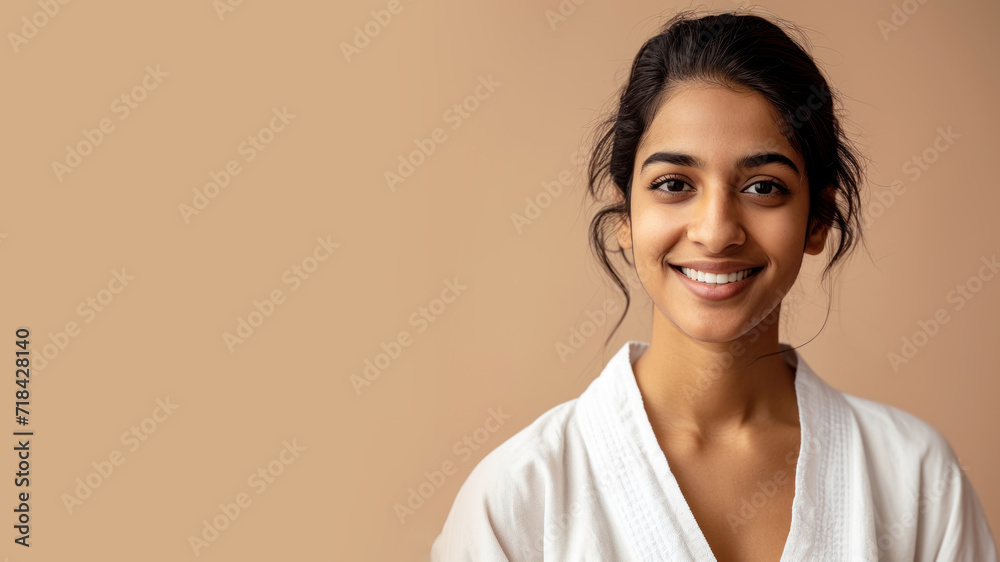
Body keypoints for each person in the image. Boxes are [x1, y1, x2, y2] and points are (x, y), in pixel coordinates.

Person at [430, 8, 998, 561]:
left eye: (764, 188)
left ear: (818, 219)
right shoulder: (515, 501)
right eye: (674, 183)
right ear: (625, 215)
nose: (717, 231)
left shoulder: (918, 481)